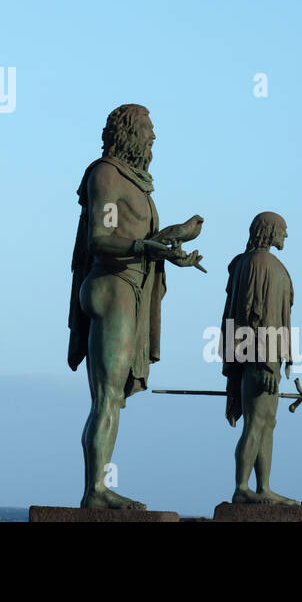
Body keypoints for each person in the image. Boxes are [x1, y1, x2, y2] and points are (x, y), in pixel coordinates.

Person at [68, 104, 203, 509]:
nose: (153, 138)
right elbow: (100, 238)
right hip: (112, 287)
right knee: (106, 398)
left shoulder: (135, 183)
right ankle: (95, 491)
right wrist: (145, 246)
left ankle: (99, 487)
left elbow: (134, 237)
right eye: (148, 129)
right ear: (129, 132)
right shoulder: (107, 174)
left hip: (129, 287)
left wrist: (173, 240)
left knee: (111, 399)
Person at [222, 211, 296, 504]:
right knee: (255, 422)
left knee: (267, 421)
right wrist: (264, 360)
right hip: (260, 357)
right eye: (283, 229)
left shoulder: (254, 262)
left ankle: (263, 488)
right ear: (270, 230)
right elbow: (255, 311)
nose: (286, 235)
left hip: (266, 356)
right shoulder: (259, 263)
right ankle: (242, 488)